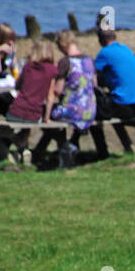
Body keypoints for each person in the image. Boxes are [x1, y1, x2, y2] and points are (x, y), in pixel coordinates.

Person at [0, 39, 61, 164]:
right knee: (24, 129)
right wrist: (47, 118)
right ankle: (24, 151)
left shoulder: (28, 67)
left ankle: (9, 156)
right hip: (35, 115)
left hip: (16, 111)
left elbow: (17, 85)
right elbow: (50, 97)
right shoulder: (52, 70)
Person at [92, 23, 135, 157]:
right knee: (105, 104)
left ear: (100, 40)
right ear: (115, 36)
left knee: (91, 110)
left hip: (123, 106)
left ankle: (102, 152)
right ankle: (127, 147)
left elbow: (90, 74)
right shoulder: (126, 49)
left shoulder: (105, 53)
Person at [47, 30, 97, 168]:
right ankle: (70, 146)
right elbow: (94, 84)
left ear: (63, 44)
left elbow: (57, 90)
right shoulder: (89, 60)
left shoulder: (66, 62)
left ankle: (65, 147)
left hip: (72, 111)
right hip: (90, 110)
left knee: (45, 114)